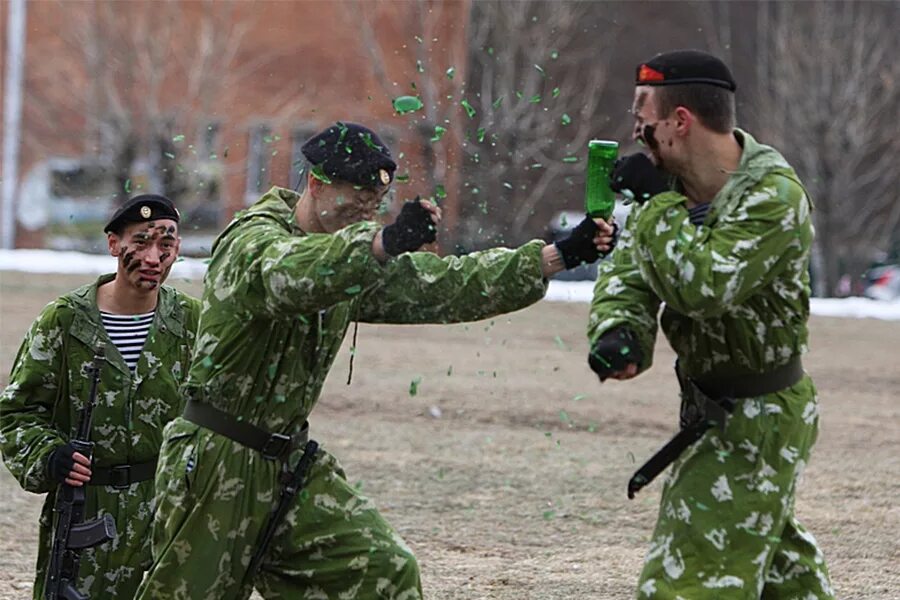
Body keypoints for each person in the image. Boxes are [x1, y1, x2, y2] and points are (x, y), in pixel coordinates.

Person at [135, 121, 616, 600]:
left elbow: (444, 285)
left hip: (287, 466)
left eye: (372, 207)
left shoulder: (356, 258)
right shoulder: (253, 241)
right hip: (216, 461)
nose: (363, 215)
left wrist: (557, 256)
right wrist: (381, 243)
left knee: (383, 573)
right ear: (319, 185)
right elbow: (289, 276)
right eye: (355, 202)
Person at [586, 50, 834, 598]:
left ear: (680, 121)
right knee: (781, 581)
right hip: (715, 408)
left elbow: (704, 288)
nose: (636, 130)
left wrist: (651, 209)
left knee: (686, 584)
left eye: (643, 115)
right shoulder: (671, 188)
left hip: (758, 416)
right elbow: (630, 271)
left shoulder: (771, 196)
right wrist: (620, 331)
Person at [0, 194, 201, 598]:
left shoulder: (193, 322)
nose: (153, 257)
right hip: (84, 512)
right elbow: (17, 413)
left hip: (166, 512)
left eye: (165, 245)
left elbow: (215, 411)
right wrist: (50, 456)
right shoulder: (66, 320)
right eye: (140, 242)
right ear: (114, 245)